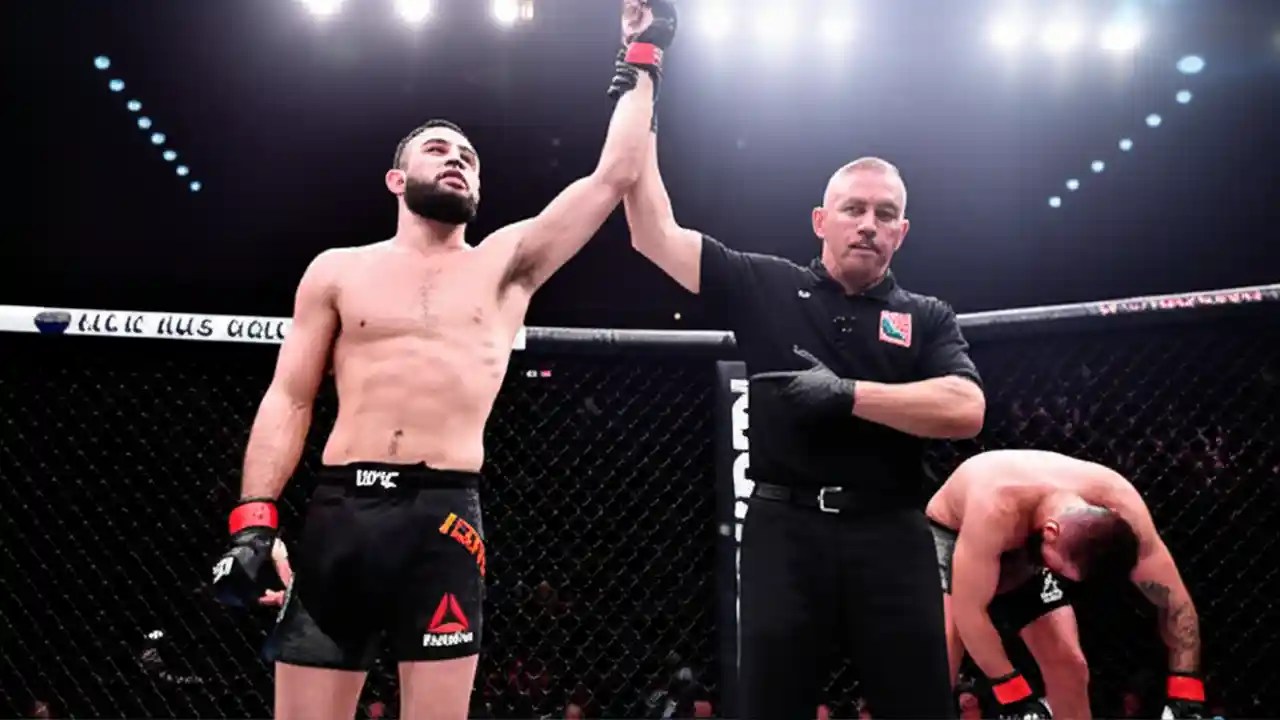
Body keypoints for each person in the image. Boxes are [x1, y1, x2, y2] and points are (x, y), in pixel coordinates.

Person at [208, 3, 678, 719]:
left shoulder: (505, 266)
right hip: (342, 511)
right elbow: (290, 397)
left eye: (469, 157)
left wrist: (643, 55)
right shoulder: (336, 270)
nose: (457, 158)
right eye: (437, 149)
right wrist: (254, 522)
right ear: (396, 180)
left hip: (445, 515)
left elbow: (614, 175)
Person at [620, 120, 985, 713]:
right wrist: (643, 103)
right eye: (853, 209)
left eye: (885, 214)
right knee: (772, 706)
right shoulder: (765, 284)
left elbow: (967, 409)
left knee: (920, 706)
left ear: (902, 232)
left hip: (891, 532)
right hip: (784, 532)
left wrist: (848, 394)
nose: (868, 225)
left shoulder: (926, 316)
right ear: (821, 220)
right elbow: (651, 233)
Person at [927, 449, 1207, 719]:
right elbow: (970, 611)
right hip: (955, 535)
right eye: (1058, 569)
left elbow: (1173, 600)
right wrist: (1013, 694)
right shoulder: (996, 506)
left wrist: (1186, 690)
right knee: (939, 667)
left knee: (1069, 667)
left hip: (1027, 545)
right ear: (1051, 532)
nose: (1057, 576)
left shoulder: (1121, 505)